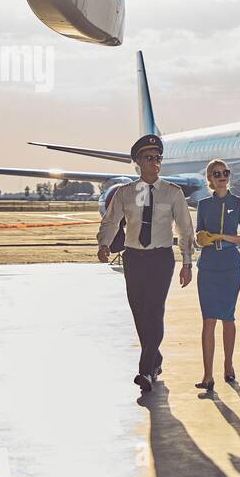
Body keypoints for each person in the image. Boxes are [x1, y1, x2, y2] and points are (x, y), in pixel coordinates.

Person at [97, 134, 194, 394]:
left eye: (158, 158)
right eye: (149, 158)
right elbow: (111, 221)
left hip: (161, 259)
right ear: (138, 162)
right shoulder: (125, 193)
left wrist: (187, 262)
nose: (154, 162)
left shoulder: (173, 193)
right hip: (134, 258)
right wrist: (104, 243)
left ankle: (145, 369)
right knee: (139, 313)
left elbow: (186, 229)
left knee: (155, 311)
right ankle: (155, 359)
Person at [193, 159, 240, 393]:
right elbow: (199, 233)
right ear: (210, 179)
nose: (221, 176)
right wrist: (201, 238)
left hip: (230, 265)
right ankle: (207, 375)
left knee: (228, 317)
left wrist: (221, 237)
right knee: (208, 319)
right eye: (216, 173)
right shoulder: (203, 204)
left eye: (225, 173)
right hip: (208, 265)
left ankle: (228, 363)